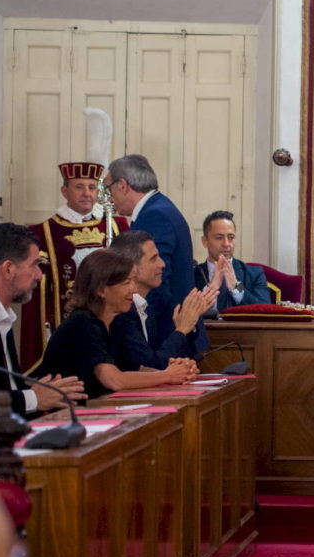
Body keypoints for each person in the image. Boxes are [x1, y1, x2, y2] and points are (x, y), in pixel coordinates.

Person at [0, 224, 86, 427]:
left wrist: (45, 395)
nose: (39, 274)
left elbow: (6, 389)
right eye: (34, 265)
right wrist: (33, 398)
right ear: (9, 269)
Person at [36, 250, 197, 399]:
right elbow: (114, 380)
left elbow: (137, 369)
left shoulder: (116, 322)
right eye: (127, 283)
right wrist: (167, 375)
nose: (134, 290)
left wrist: (180, 373)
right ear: (101, 290)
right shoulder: (82, 322)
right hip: (64, 417)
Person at [18, 161, 128, 370]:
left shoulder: (116, 226)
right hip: (68, 324)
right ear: (64, 191)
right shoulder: (44, 232)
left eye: (92, 187)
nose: (87, 193)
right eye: (79, 187)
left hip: (112, 321)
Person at [104, 154, 208, 350]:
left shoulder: (154, 215)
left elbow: (156, 281)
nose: (110, 197)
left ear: (123, 185)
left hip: (166, 333)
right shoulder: (159, 207)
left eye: (109, 188)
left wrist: (139, 332)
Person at [110, 230, 215, 370]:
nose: (162, 264)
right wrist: (182, 329)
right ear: (131, 266)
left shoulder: (146, 307)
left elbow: (164, 356)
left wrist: (189, 324)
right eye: (153, 258)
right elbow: (152, 366)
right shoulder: (122, 312)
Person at [193, 210, 270, 312]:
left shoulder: (254, 274)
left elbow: (265, 309)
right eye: (219, 237)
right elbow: (182, 310)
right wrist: (212, 289)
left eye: (231, 237)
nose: (226, 244)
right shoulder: (192, 274)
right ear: (205, 241)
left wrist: (236, 286)